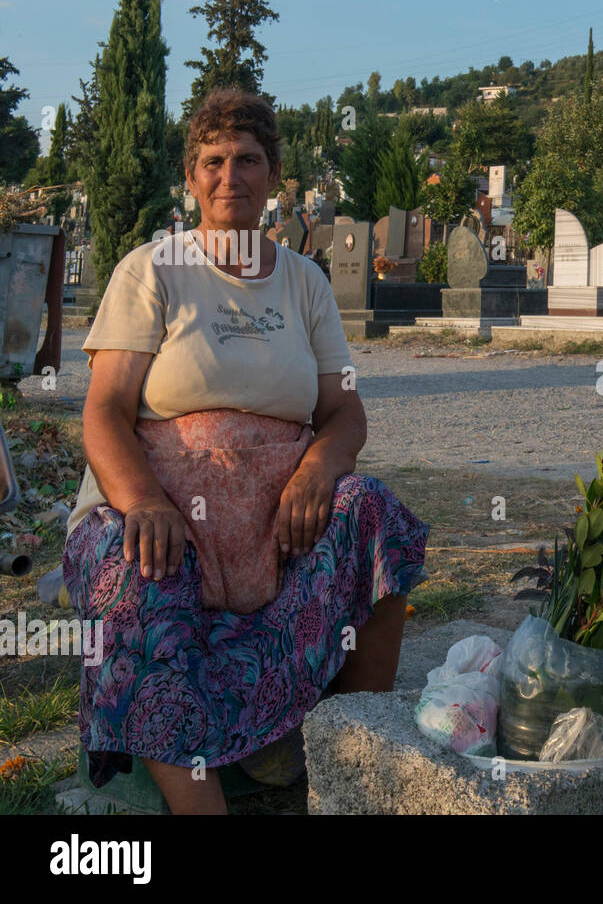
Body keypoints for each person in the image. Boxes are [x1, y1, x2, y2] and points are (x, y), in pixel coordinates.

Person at [61, 88, 429, 814]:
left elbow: (343, 409)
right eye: (213, 160)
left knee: (375, 516)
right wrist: (144, 501)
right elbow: (103, 411)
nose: (231, 175)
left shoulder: (305, 282)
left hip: (274, 522)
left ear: (275, 175)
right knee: (137, 567)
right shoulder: (153, 270)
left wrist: (322, 466)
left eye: (249, 159)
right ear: (192, 178)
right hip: (156, 506)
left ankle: (338, 759)